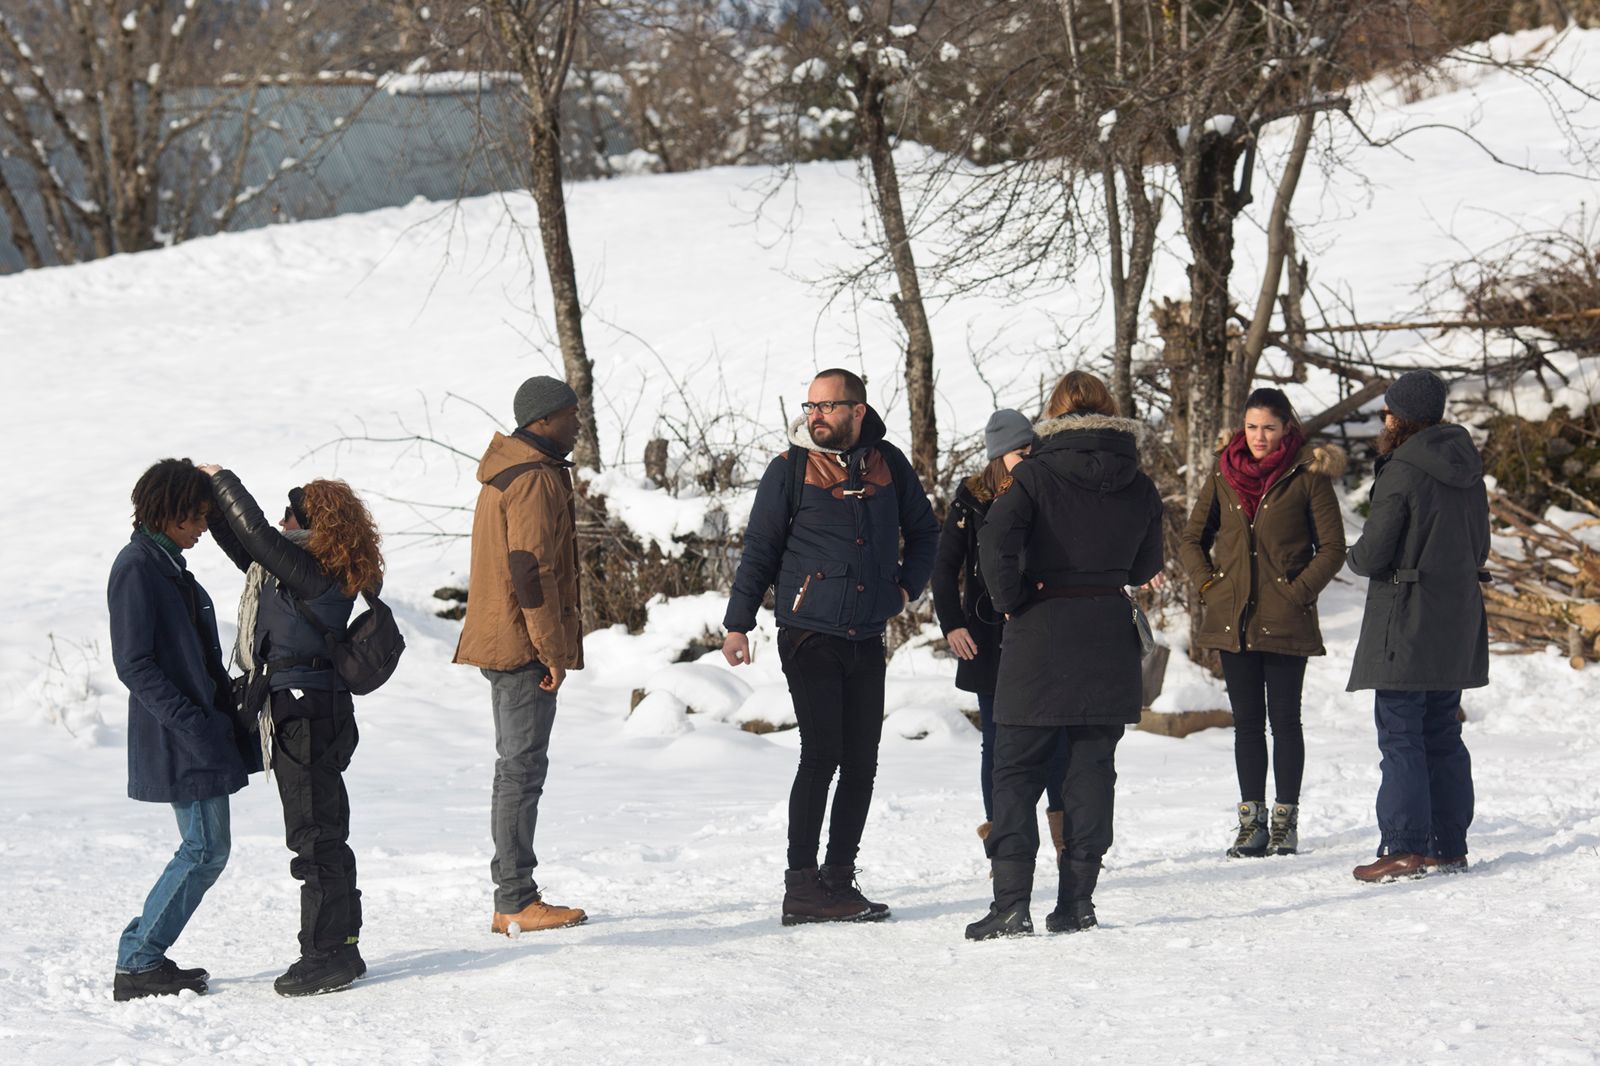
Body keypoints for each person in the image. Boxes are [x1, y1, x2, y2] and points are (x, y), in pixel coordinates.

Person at [722, 368, 939, 925]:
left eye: (826, 406)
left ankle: (839, 881)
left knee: (862, 762)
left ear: (857, 411)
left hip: (867, 633)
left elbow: (925, 533)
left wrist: (905, 588)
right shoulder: (790, 469)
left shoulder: (890, 465)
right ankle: (801, 886)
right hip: (809, 630)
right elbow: (760, 549)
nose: (813, 415)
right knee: (822, 756)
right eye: (809, 405)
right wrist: (737, 622)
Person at [965, 371, 1163, 940]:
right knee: (1092, 772)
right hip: (1106, 631)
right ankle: (1077, 903)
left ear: (1053, 415)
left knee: (1015, 770)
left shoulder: (1033, 475)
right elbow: (1142, 567)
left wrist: (1011, 600)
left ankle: (1010, 905)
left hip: (1040, 631)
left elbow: (993, 539)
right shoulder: (1139, 482)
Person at [202, 464, 383, 996]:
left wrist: (222, 480)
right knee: (324, 831)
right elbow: (246, 547)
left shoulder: (318, 571)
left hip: (303, 717)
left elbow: (256, 535)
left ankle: (326, 954)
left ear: (317, 525)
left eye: (291, 515)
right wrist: (212, 513)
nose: (281, 523)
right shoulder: (301, 571)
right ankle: (343, 944)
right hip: (309, 711)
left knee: (314, 836)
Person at [1179, 387, 1347, 859]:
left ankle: (1284, 823)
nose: (1259, 437)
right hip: (1234, 620)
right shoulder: (1223, 472)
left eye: (1269, 427)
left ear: (1286, 429)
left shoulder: (1308, 476)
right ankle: (1250, 825)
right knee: (1248, 725)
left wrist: (1297, 592)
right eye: (1252, 427)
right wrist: (1210, 587)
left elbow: (1333, 548)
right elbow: (1193, 538)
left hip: (1286, 619)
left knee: (1285, 723)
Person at [108, 459, 249, 1001]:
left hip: (197, 730)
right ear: (167, 513)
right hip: (180, 735)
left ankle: (140, 950)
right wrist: (194, 721)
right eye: (195, 519)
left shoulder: (165, 563)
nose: (200, 531)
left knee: (203, 847)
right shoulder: (137, 566)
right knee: (205, 849)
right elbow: (134, 663)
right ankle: (139, 961)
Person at [453, 376, 589, 936]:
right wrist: (551, 650)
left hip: (508, 639)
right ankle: (514, 900)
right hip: (522, 646)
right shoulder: (532, 479)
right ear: (543, 420)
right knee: (520, 772)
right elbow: (530, 570)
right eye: (571, 415)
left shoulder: (514, 472)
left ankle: (513, 896)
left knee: (517, 769)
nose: (578, 423)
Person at [1345, 370, 1488, 883]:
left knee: (1401, 735)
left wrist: (1353, 555)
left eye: (1387, 411)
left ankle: (1404, 846)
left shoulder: (1401, 469)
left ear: (1400, 418)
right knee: (1443, 734)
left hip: (1406, 621)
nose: (1384, 419)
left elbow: (1373, 552)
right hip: (1455, 622)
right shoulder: (1467, 466)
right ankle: (1448, 845)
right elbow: (1481, 546)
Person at [932, 410, 1069, 859]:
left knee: (1055, 736)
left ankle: (1067, 835)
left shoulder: (1047, 490)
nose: (1029, 460)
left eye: (1033, 451)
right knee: (997, 740)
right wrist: (952, 623)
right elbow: (944, 567)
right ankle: (1001, 845)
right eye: (1019, 454)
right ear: (998, 457)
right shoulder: (971, 500)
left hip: (1040, 631)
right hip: (985, 638)